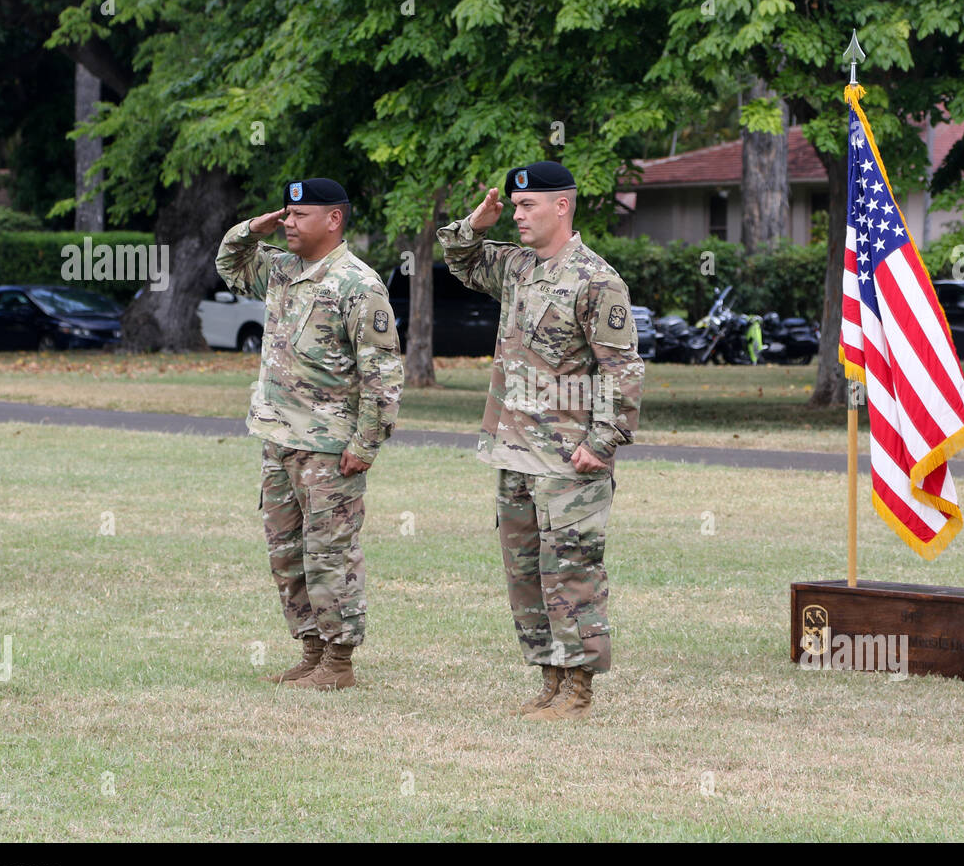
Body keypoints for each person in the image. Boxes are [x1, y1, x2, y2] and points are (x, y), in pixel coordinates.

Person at [437, 160, 643, 721]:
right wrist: (478, 223)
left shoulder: (597, 281)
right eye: (515, 205)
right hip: (515, 450)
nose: (519, 214)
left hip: (568, 457)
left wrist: (601, 443)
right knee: (526, 573)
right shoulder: (518, 267)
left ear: (563, 206)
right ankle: (550, 680)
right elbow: (458, 259)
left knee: (571, 571)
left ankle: (578, 691)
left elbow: (621, 371)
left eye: (529, 206)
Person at [215, 177, 403, 690]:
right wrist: (257, 226)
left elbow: (382, 373)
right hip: (278, 438)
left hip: (328, 447)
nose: (289, 222)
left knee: (330, 553)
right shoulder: (281, 269)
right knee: (286, 553)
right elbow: (229, 263)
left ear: (334, 219)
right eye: (286, 214)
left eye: (300, 215)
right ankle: (311, 650)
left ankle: (339, 662)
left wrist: (366, 444)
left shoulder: (358, 285)